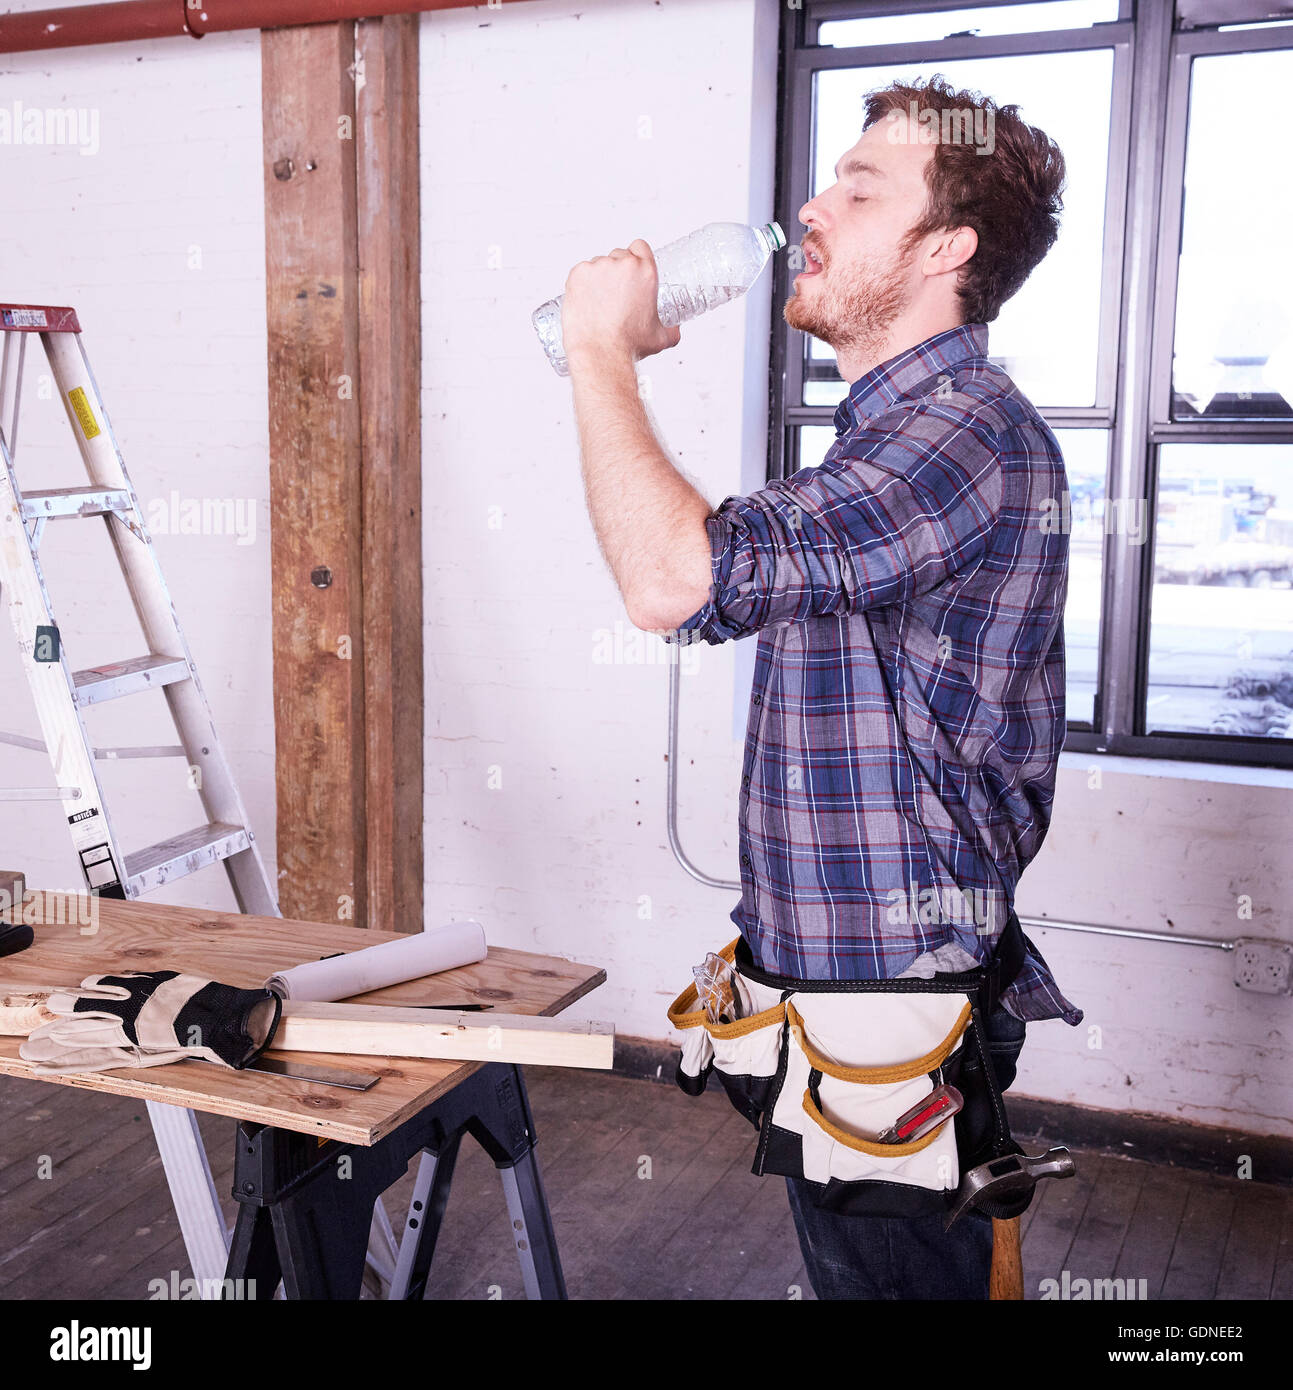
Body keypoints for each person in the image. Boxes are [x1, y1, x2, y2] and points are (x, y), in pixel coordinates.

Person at [561, 74, 1083, 1300]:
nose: (813, 205)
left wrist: (596, 350)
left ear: (946, 247)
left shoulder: (961, 430)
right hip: (854, 999)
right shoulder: (890, 431)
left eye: (859, 187)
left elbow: (673, 580)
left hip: (892, 1013)